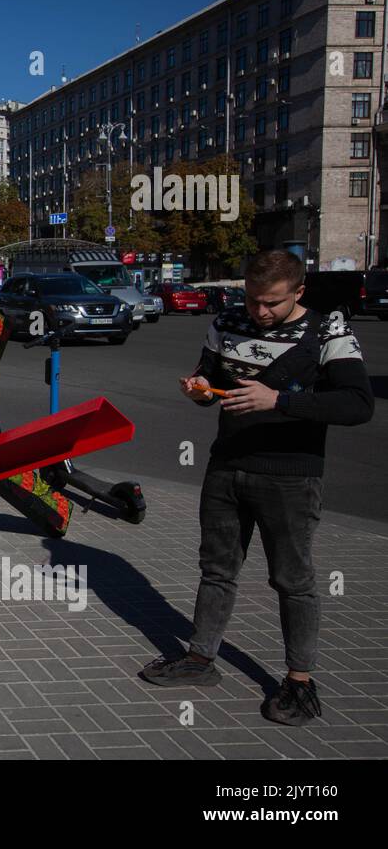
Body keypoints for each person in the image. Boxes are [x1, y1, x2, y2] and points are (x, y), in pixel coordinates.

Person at [140, 250, 373, 725]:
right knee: (216, 568)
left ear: (298, 292)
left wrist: (281, 400)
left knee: (293, 579)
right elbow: (212, 376)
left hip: (290, 474)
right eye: (252, 300)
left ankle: (299, 682)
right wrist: (201, 388)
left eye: (271, 303)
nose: (260, 312)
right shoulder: (227, 321)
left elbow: (357, 403)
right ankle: (201, 660)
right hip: (226, 466)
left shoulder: (328, 330)